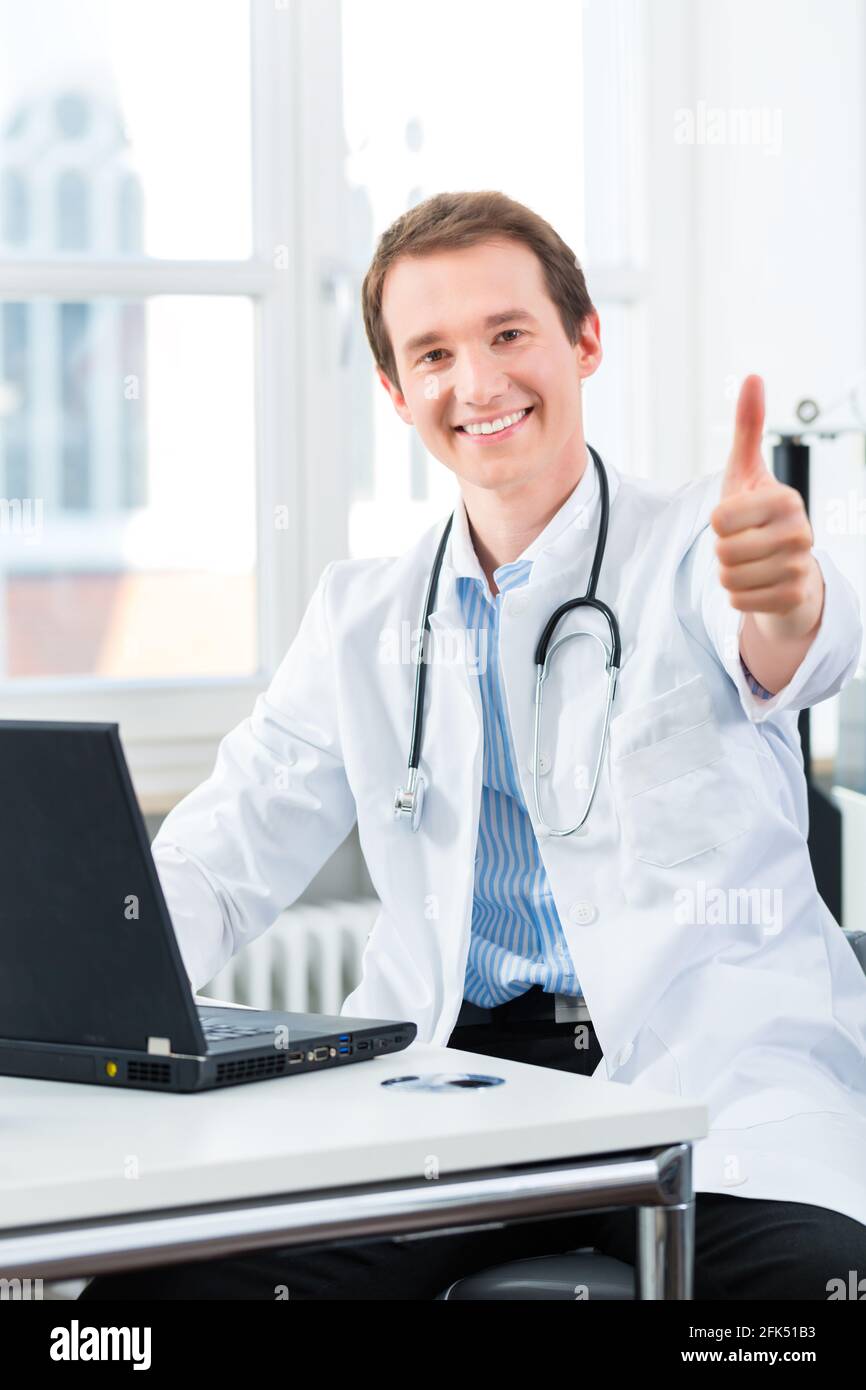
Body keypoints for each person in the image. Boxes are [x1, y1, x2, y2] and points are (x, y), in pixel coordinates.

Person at [80, 190, 866, 1301]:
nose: (478, 382)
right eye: (434, 353)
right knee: (144, 1309)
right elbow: (225, 850)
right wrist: (80, 989)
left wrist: (781, 592)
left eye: (507, 334)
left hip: (713, 1089)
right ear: (396, 393)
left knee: (818, 1304)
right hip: (446, 1095)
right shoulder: (361, 617)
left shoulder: (694, 545)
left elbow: (794, 641)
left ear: (583, 338)